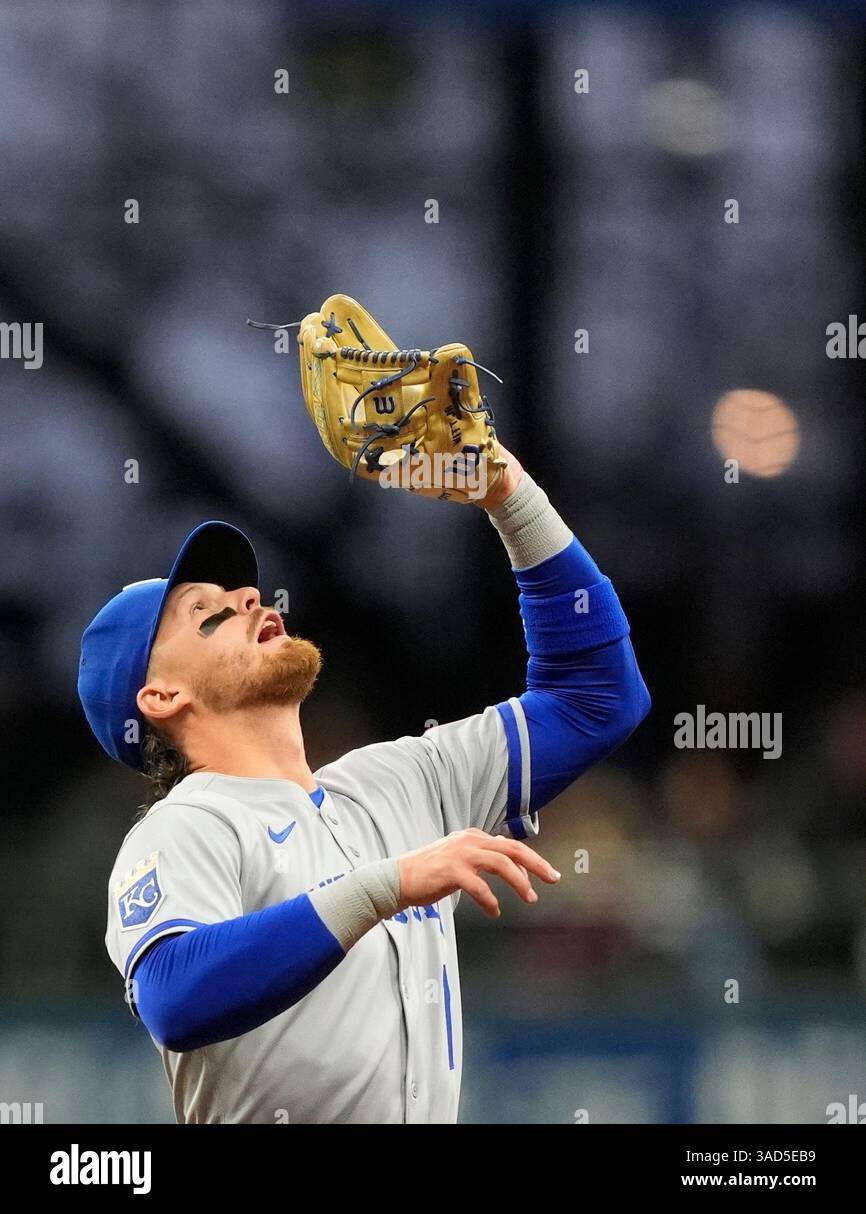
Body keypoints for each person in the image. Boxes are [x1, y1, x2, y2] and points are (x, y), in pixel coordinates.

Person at [79, 448, 650, 1123]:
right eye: (206, 611)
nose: (249, 599)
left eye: (243, 593)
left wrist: (510, 497)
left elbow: (598, 697)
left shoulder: (398, 782)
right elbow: (176, 997)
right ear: (162, 693)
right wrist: (387, 886)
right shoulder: (185, 827)